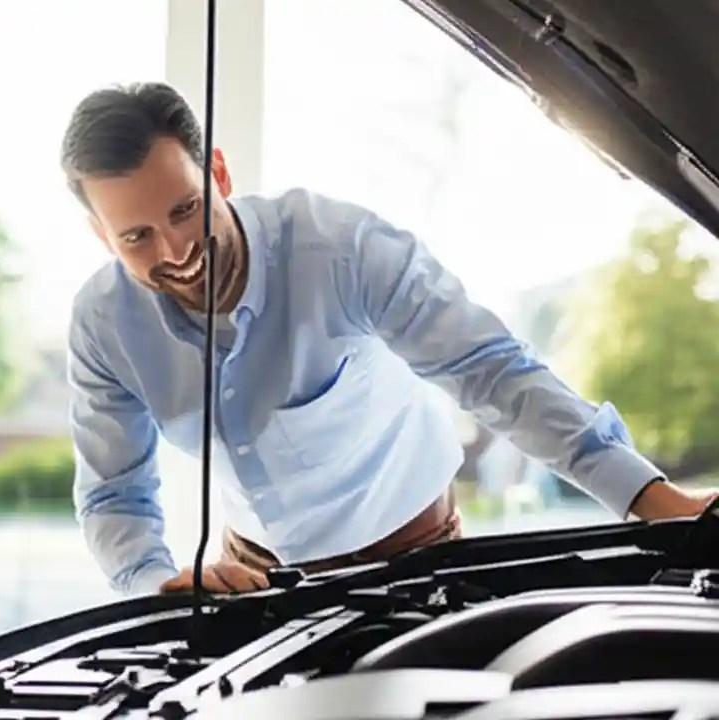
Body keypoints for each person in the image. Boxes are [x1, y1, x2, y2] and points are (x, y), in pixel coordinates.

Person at [60, 81, 717, 597]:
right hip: (254, 579)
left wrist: (653, 501)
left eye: (186, 208)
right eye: (136, 236)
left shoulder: (340, 249)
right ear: (100, 237)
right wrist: (156, 583)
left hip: (416, 555)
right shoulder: (101, 325)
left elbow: (491, 373)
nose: (178, 250)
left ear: (220, 175)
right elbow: (115, 492)